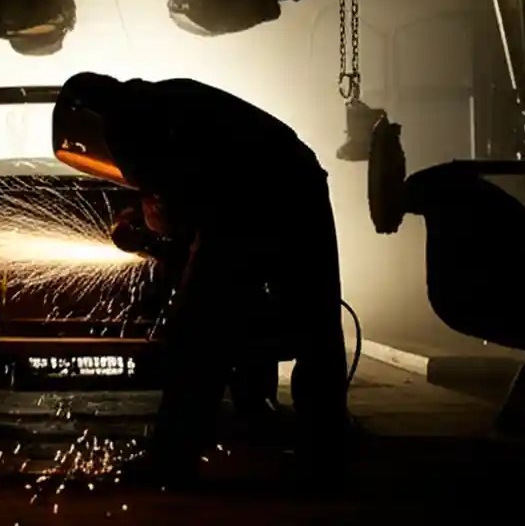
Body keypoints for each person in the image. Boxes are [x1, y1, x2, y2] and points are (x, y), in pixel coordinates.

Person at [52, 72, 352, 485]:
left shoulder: (133, 121)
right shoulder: (156, 104)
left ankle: (172, 459)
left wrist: (158, 237)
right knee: (314, 320)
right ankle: (326, 453)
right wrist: (144, 217)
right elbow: (174, 191)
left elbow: (189, 210)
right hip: (295, 183)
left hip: (253, 197)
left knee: (199, 330)